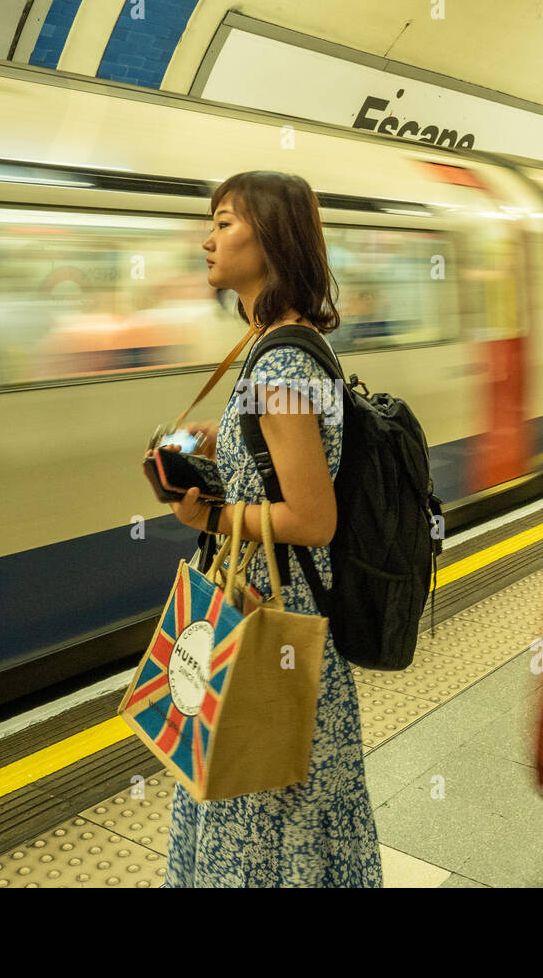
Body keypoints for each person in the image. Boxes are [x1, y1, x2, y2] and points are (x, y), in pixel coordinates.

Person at [159, 170, 383, 887]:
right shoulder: (278, 344)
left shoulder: (279, 361)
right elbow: (283, 461)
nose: (207, 238)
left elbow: (313, 518)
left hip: (271, 634)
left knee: (258, 812)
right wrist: (219, 447)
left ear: (272, 237)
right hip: (274, 619)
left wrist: (215, 516)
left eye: (224, 221)